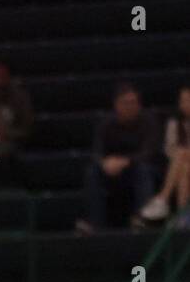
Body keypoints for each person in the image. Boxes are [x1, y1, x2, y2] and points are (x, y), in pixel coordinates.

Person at [80, 83, 160, 232]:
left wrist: (126, 161)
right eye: (126, 103)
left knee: (143, 171)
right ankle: (95, 223)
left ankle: (141, 219)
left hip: (138, 168)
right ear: (116, 105)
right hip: (112, 170)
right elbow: (96, 151)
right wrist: (105, 163)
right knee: (92, 172)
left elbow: (149, 152)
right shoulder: (106, 123)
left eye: (134, 102)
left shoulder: (149, 121)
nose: (130, 106)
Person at [140, 85, 190, 225]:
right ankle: (184, 216)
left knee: (182, 155)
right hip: (182, 166)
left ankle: (163, 198)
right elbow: (169, 150)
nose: (187, 104)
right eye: (184, 100)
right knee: (184, 167)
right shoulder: (175, 122)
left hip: (181, 160)